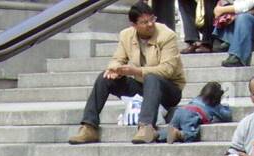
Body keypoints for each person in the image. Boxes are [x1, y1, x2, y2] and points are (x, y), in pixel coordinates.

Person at [68, 3, 186, 146]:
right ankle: (89, 127)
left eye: (152, 19)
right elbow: (117, 59)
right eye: (144, 22)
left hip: (168, 90)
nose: (150, 24)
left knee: (152, 77)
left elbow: (168, 70)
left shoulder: (167, 35)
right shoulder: (126, 35)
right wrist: (114, 70)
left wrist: (135, 71)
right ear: (134, 25)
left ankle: (146, 127)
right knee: (104, 78)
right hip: (142, 86)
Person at [158, 80, 232, 142]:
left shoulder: (197, 98)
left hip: (179, 111)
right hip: (190, 116)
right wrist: (226, 106)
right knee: (192, 134)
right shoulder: (215, 106)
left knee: (170, 129)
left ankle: (156, 134)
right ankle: (178, 134)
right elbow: (227, 116)